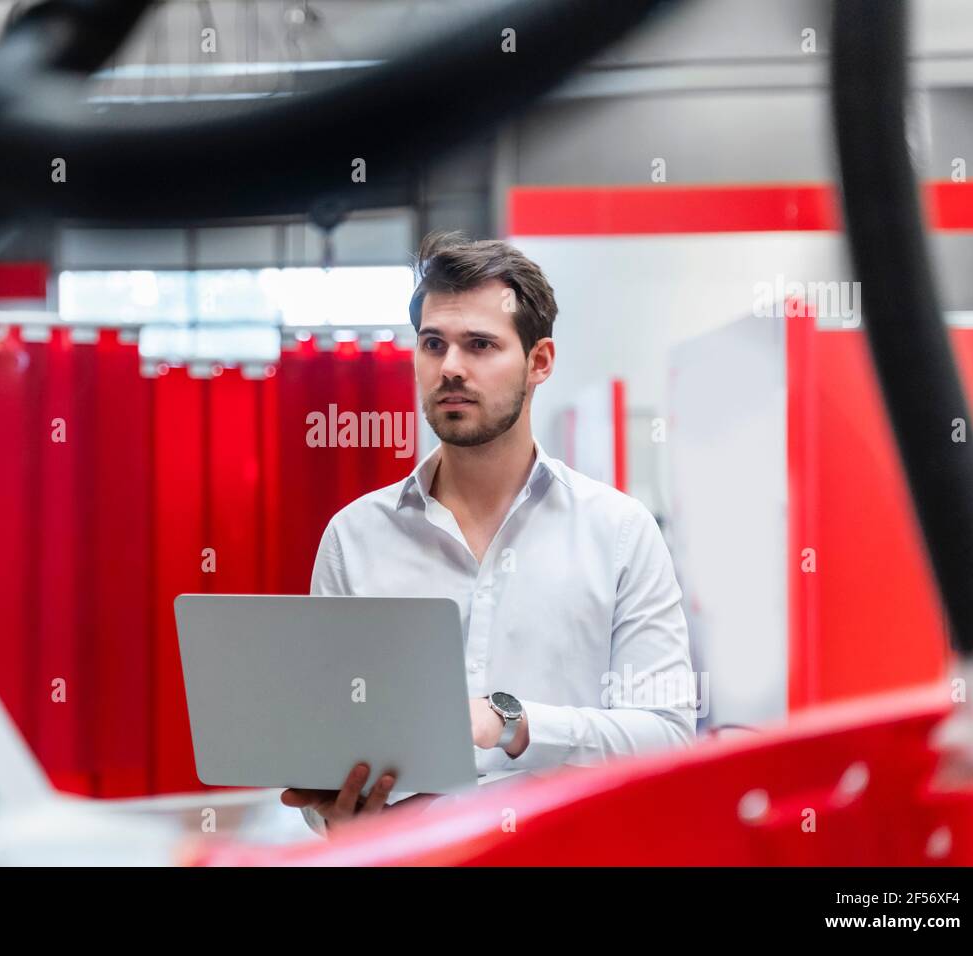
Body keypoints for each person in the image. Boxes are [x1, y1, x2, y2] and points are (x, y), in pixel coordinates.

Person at [280, 231, 697, 837]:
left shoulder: (620, 533)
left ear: (539, 362)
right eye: (433, 343)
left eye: (480, 345)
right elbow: (333, 756)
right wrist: (337, 815)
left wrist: (514, 723)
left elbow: (668, 739)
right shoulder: (354, 537)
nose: (450, 367)